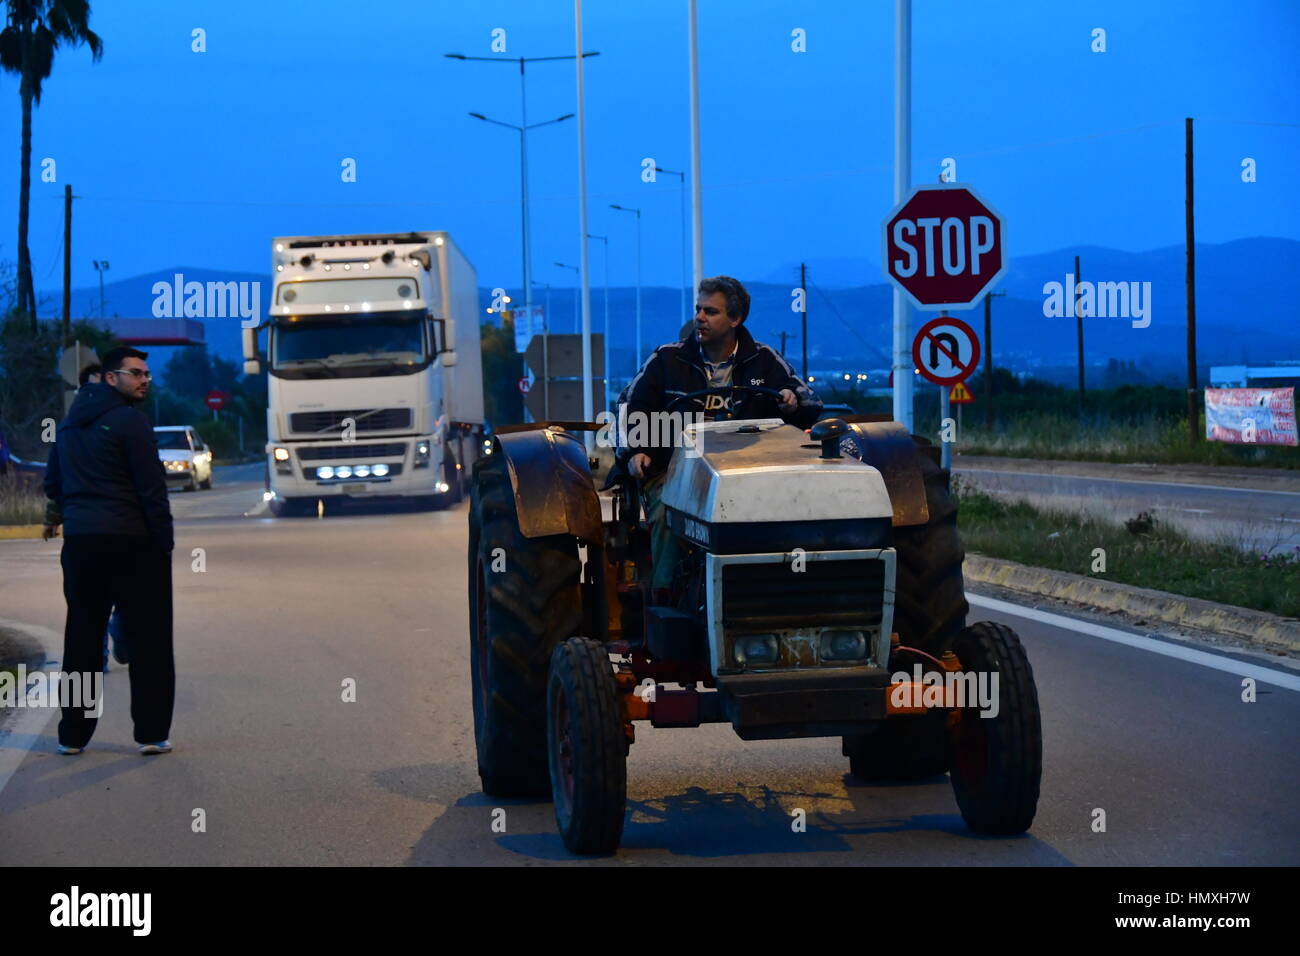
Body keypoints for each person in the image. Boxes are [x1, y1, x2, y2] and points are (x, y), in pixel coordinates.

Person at [614, 275, 823, 599]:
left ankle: (782, 592)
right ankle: (665, 597)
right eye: (699, 309)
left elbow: (809, 401)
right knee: (667, 511)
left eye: (710, 311)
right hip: (678, 471)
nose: (699, 317)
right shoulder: (667, 360)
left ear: (736, 319)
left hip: (751, 473)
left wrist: (791, 398)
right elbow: (631, 405)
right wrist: (635, 452)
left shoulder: (765, 361)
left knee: (791, 510)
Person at [42, 347, 175, 756]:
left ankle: (72, 736)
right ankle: (151, 733)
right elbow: (151, 490)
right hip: (132, 544)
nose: (144, 380)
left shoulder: (67, 427)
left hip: (81, 546)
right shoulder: (130, 423)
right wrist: (163, 544)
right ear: (110, 378)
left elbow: (54, 483)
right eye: (136, 373)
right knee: (149, 638)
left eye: (147, 374)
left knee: (82, 638)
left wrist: (72, 514)